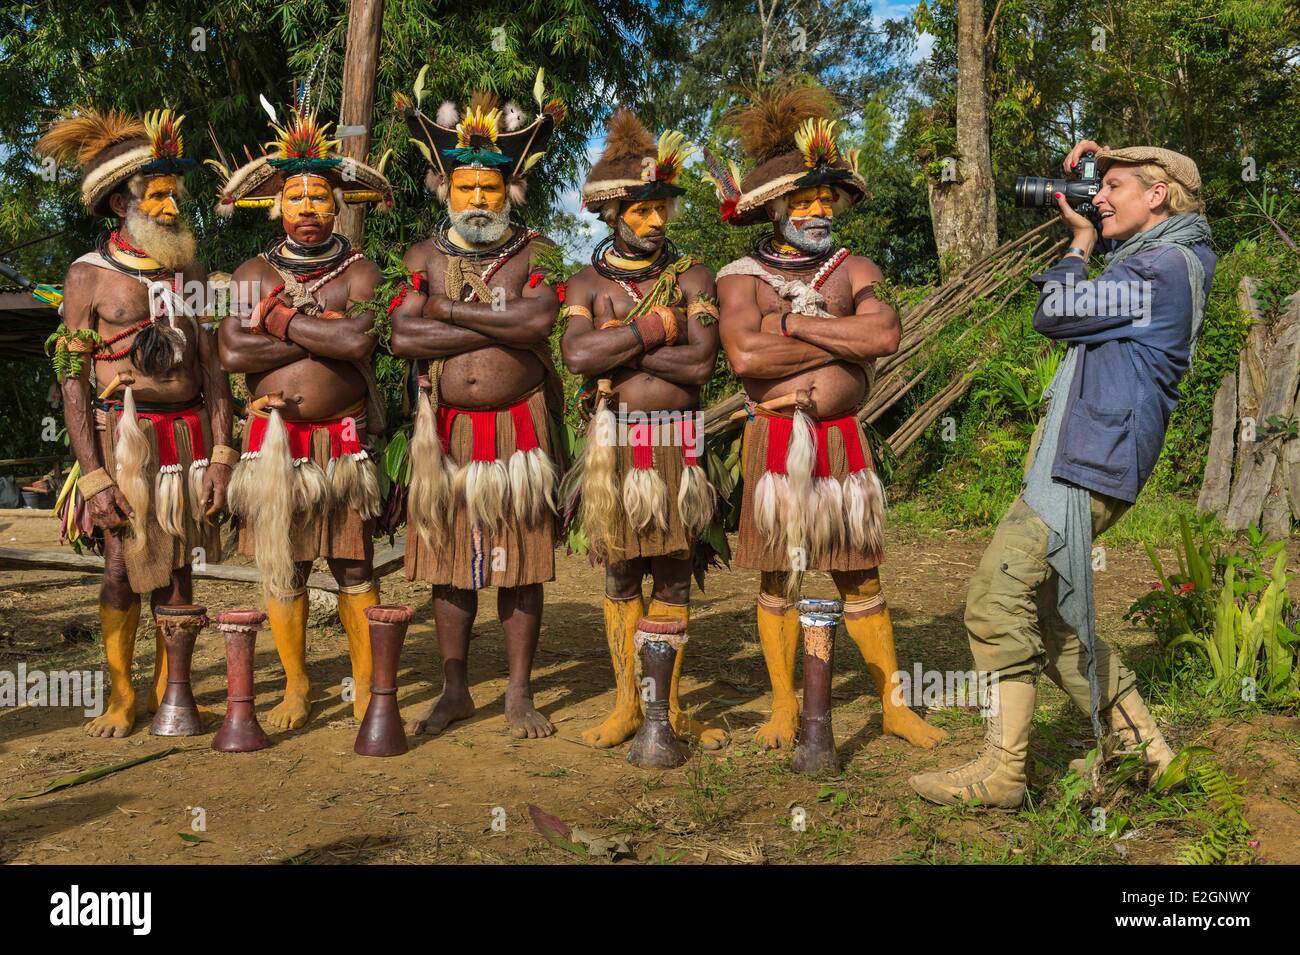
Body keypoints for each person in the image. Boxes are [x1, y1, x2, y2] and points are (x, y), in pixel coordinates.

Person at [910, 142, 1215, 808]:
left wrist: (1077, 247)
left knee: (996, 595)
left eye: (1111, 186)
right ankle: (1150, 752)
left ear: (1158, 194)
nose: (1097, 197)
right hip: (1092, 456)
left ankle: (1003, 770)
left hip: (1088, 460)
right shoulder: (1157, 261)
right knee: (1057, 617)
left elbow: (1056, 315)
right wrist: (1097, 198)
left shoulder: (1163, 268)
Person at [710, 82, 946, 751]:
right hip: (775, 439)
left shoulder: (855, 266)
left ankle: (894, 705)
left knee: (859, 571)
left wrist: (786, 321)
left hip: (842, 442)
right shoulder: (739, 275)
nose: (819, 209)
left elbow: (884, 337)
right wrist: (824, 327)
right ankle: (785, 705)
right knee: (779, 572)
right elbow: (745, 355)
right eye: (804, 199)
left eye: (825, 198)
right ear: (775, 207)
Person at [36, 108, 234, 738]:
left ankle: (173, 693)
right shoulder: (87, 276)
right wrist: (92, 476)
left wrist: (225, 452)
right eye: (157, 194)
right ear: (122, 202)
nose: (172, 204)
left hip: (189, 437)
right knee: (122, 564)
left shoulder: (193, 275)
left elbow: (215, 369)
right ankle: (122, 695)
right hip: (120, 439)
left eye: (175, 193)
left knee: (178, 566)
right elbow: (71, 375)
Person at [390, 85, 566, 740]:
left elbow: (539, 319)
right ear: (445, 189)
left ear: (511, 190)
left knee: (519, 561)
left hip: (521, 425)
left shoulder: (536, 253)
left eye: (491, 187)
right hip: (449, 432)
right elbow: (405, 337)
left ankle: (518, 694)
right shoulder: (420, 259)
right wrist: (497, 326)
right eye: (467, 188)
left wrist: (450, 313)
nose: (480, 200)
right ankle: (455, 689)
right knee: (448, 561)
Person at [214, 102, 393, 730]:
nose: (310, 208)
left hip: (343, 441)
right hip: (274, 441)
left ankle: (370, 684)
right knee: (284, 562)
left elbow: (359, 343)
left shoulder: (363, 270)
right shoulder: (252, 271)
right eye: (297, 197)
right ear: (277, 205)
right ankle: (296, 686)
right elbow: (234, 350)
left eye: (321, 195)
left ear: (339, 202)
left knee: (353, 563)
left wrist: (280, 320)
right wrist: (324, 331)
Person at [560, 108, 725, 750]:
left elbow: (703, 364)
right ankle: (629, 703)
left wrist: (619, 347)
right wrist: (657, 330)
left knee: (675, 575)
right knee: (622, 574)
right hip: (616, 447)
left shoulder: (693, 277)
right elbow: (576, 356)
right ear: (612, 215)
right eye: (641, 210)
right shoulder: (584, 282)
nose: (656, 222)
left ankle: (670, 705)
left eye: (663, 209)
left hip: (679, 440)